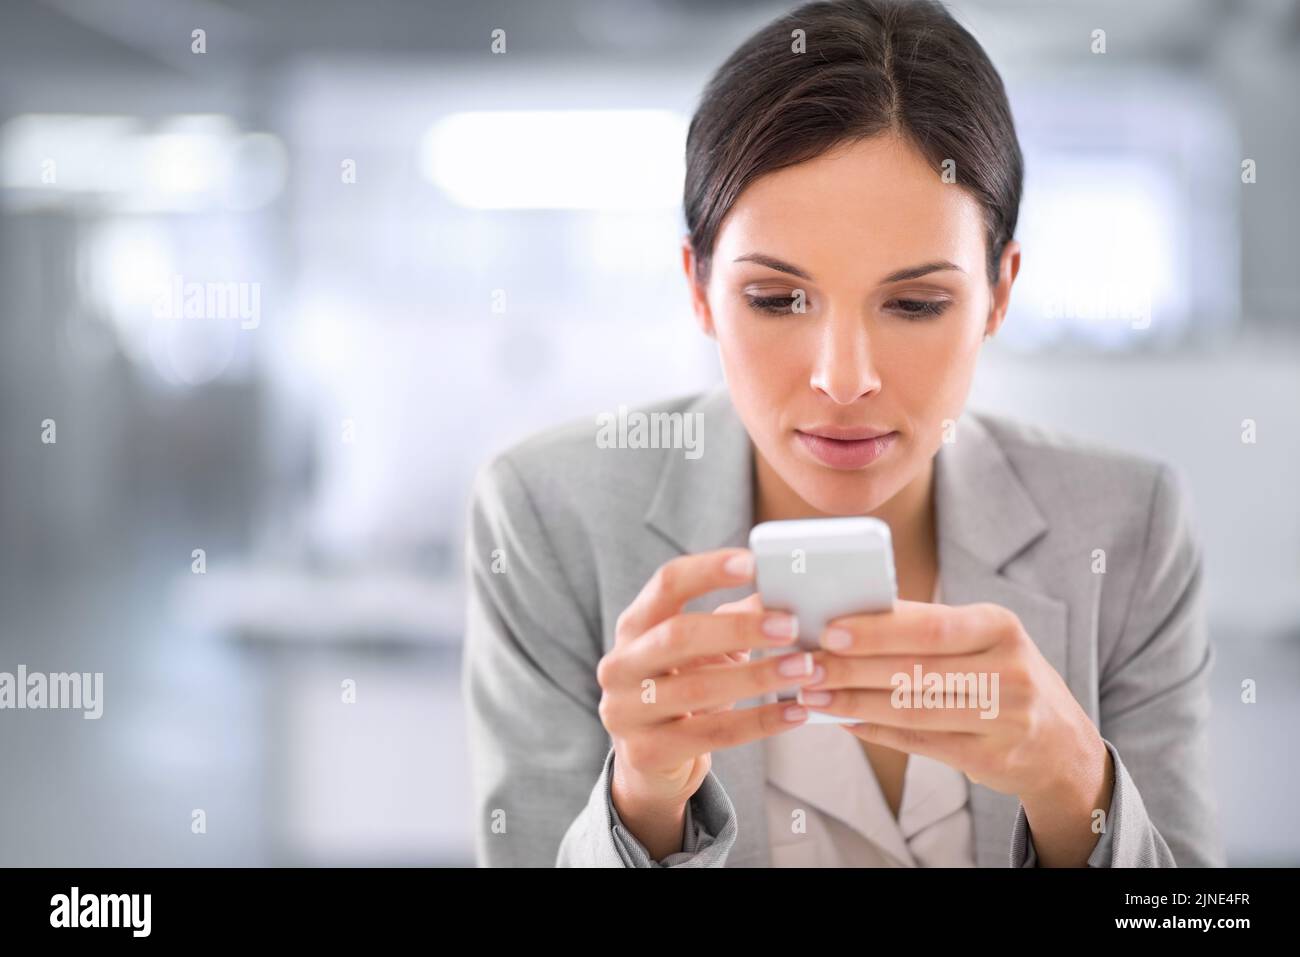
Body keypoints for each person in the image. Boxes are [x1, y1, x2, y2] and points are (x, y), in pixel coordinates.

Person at [462, 0, 1224, 868]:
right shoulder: (548, 517)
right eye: (778, 298)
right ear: (699, 287)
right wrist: (641, 803)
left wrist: (1074, 786)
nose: (844, 376)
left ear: (999, 294)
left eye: (915, 304)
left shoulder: (1129, 526)